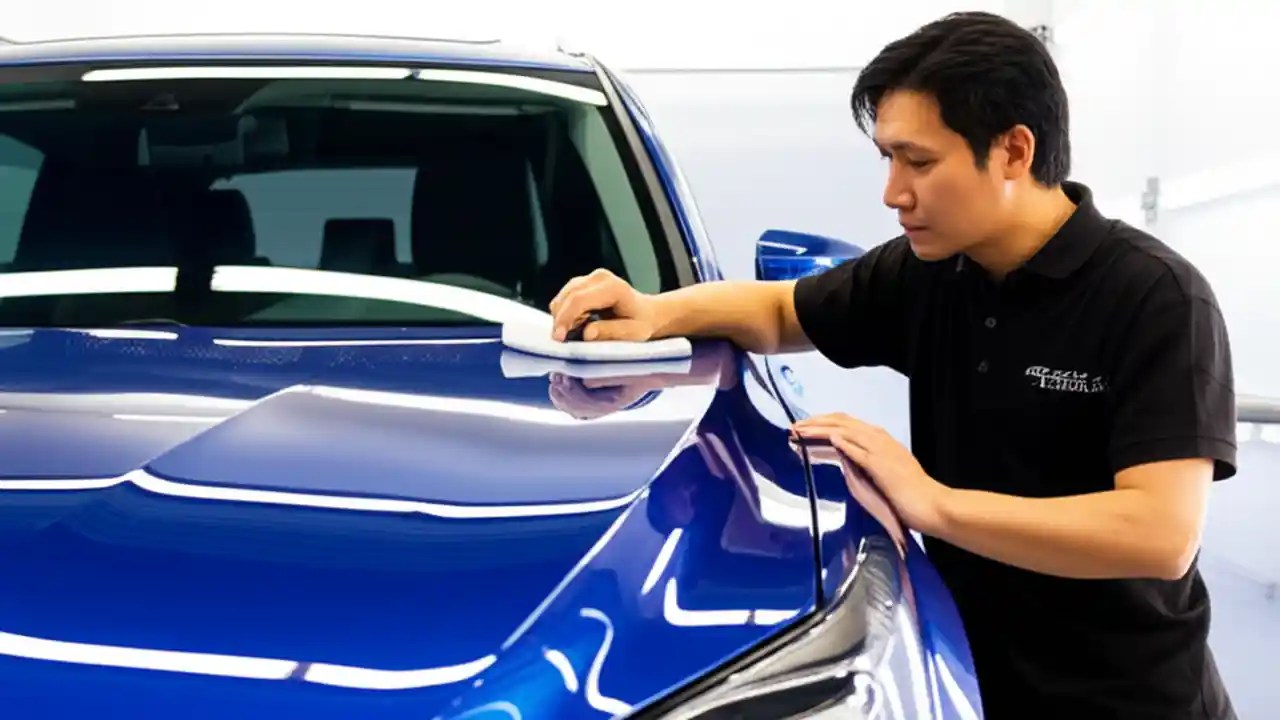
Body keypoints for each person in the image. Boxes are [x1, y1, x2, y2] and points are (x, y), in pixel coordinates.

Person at [548, 10, 1238, 720]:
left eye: (920, 161)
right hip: (967, 680)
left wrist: (930, 501)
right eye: (888, 159)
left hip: (1127, 700)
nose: (893, 192)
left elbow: (1160, 535)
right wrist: (657, 311)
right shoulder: (933, 273)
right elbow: (785, 312)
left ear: (1013, 151)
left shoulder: (1154, 297)